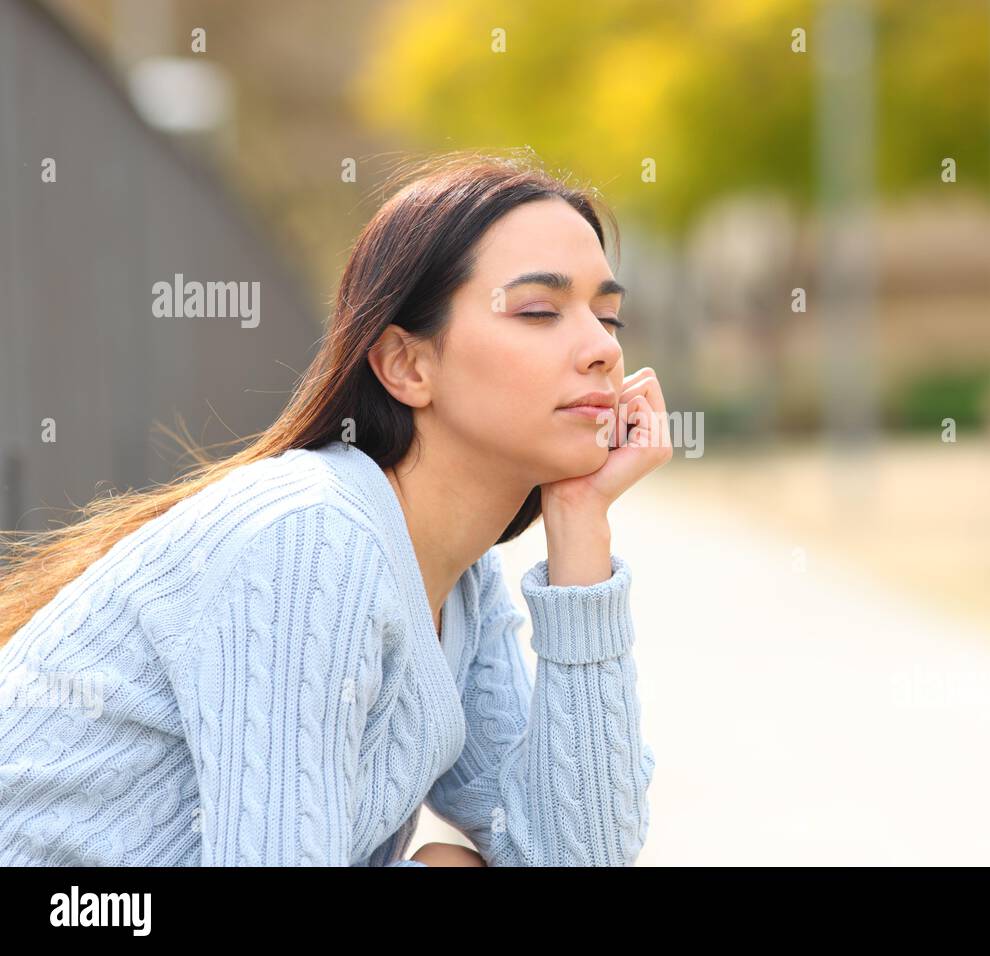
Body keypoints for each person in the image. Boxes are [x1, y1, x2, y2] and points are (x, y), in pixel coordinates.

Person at [0, 149, 669, 866]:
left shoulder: (458, 582)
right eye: (539, 311)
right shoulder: (309, 541)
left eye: (609, 317)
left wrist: (579, 524)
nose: (601, 348)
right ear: (407, 365)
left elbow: (577, 856)